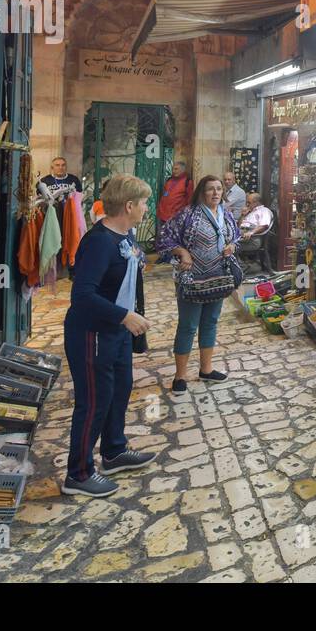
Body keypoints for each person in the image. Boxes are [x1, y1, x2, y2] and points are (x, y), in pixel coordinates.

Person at [61, 173, 155, 497]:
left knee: (120, 390)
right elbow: (83, 296)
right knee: (94, 402)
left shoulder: (125, 234)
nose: (147, 208)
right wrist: (125, 316)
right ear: (128, 205)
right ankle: (79, 473)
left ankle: (114, 451)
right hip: (92, 334)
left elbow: (129, 267)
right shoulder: (99, 242)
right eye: (144, 202)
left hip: (116, 334)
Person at [157, 175, 237, 394]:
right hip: (192, 279)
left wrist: (231, 246)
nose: (215, 193)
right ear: (201, 192)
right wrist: (182, 251)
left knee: (211, 322)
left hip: (218, 278)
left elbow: (235, 237)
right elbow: (165, 238)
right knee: (188, 326)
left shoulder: (226, 215)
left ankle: (206, 369)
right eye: (210, 189)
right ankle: (180, 376)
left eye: (219, 189)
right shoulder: (187, 215)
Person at [158, 160, 192, 225]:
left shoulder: (187, 182)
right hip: (162, 216)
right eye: (173, 169)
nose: (173, 171)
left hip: (176, 217)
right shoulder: (169, 180)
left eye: (176, 169)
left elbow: (189, 201)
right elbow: (164, 195)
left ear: (183, 170)